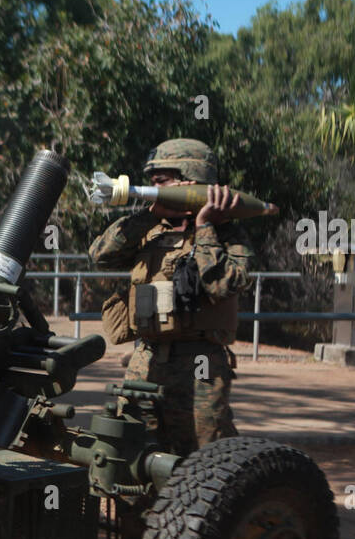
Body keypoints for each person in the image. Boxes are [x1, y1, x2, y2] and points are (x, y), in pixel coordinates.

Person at [89, 138, 252, 456]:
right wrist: (149, 216)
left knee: (204, 458)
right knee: (133, 452)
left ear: (190, 179)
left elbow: (223, 286)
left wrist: (204, 226)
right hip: (145, 359)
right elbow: (100, 256)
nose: (153, 185)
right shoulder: (149, 229)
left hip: (199, 365)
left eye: (161, 180)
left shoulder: (227, 234)